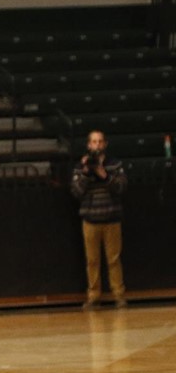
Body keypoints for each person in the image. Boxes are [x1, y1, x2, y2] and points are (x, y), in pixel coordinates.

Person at [71, 130, 128, 311]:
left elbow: (121, 187)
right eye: (93, 142)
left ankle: (119, 295)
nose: (97, 145)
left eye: (100, 142)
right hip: (90, 218)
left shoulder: (115, 164)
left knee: (114, 259)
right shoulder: (81, 166)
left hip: (112, 217)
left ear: (105, 144)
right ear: (88, 145)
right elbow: (76, 192)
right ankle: (94, 297)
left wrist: (104, 175)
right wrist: (87, 173)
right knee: (92, 260)